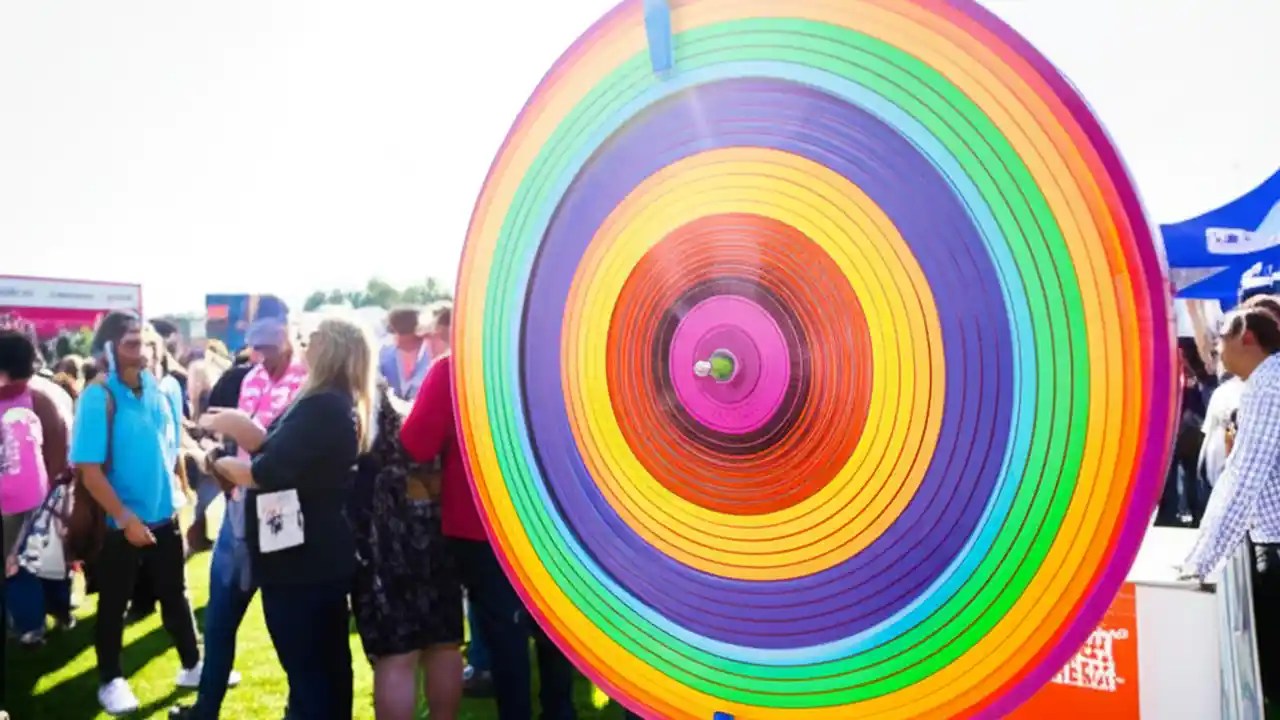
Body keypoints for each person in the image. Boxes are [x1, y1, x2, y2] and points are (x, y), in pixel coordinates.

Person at [401, 306, 577, 720]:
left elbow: (417, 443)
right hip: (551, 522)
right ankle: (559, 711)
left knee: (504, 633)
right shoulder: (553, 365)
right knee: (554, 628)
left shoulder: (454, 370)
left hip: (483, 527)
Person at [209, 316, 371, 720]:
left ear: (328, 349)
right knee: (324, 672)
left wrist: (214, 461)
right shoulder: (332, 400)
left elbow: (265, 471)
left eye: (310, 339)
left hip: (301, 559)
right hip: (312, 553)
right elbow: (283, 454)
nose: (302, 345)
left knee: (310, 673)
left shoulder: (322, 404)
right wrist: (241, 430)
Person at [70, 311, 203, 716]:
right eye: (130, 343)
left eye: (145, 342)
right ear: (108, 349)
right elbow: (89, 470)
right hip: (119, 523)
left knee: (175, 593)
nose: (141, 351)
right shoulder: (98, 397)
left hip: (164, 515)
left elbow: (169, 446)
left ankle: (193, 665)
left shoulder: (156, 388)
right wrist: (125, 518)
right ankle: (111, 679)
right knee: (114, 604)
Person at [170, 319, 304, 720]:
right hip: (239, 507)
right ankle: (205, 709)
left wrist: (235, 432)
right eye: (255, 347)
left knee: (289, 625)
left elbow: (280, 451)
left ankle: (300, 707)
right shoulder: (249, 378)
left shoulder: (307, 382)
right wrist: (221, 456)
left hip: (282, 511)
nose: (261, 355)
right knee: (220, 618)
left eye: (269, 346)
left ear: (288, 338)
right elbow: (234, 440)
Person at [1182, 305, 1280, 703]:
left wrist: (1202, 560)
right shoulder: (1264, 382)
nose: (1216, 352)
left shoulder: (1268, 387)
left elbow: (1245, 477)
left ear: (1247, 338)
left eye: (1220, 342)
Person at [350, 379, 463, 720]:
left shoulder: (356, 419)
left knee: (397, 657)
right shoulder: (415, 414)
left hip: (385, 548)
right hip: (435, 539)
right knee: (444, 645)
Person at [0, 329, 72, 646]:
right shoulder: (42, 398)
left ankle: (30, 624)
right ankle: (57, 612)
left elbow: (56, 450)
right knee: (47, 559)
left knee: (16, 564)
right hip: (44, 496)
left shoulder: (38, 400)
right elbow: (60, 448)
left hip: (25, 500)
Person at [379, 307, 433, 401]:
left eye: (401, 331)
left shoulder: (434, 356)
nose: (396, 336)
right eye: (392, 331)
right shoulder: (384, 356)